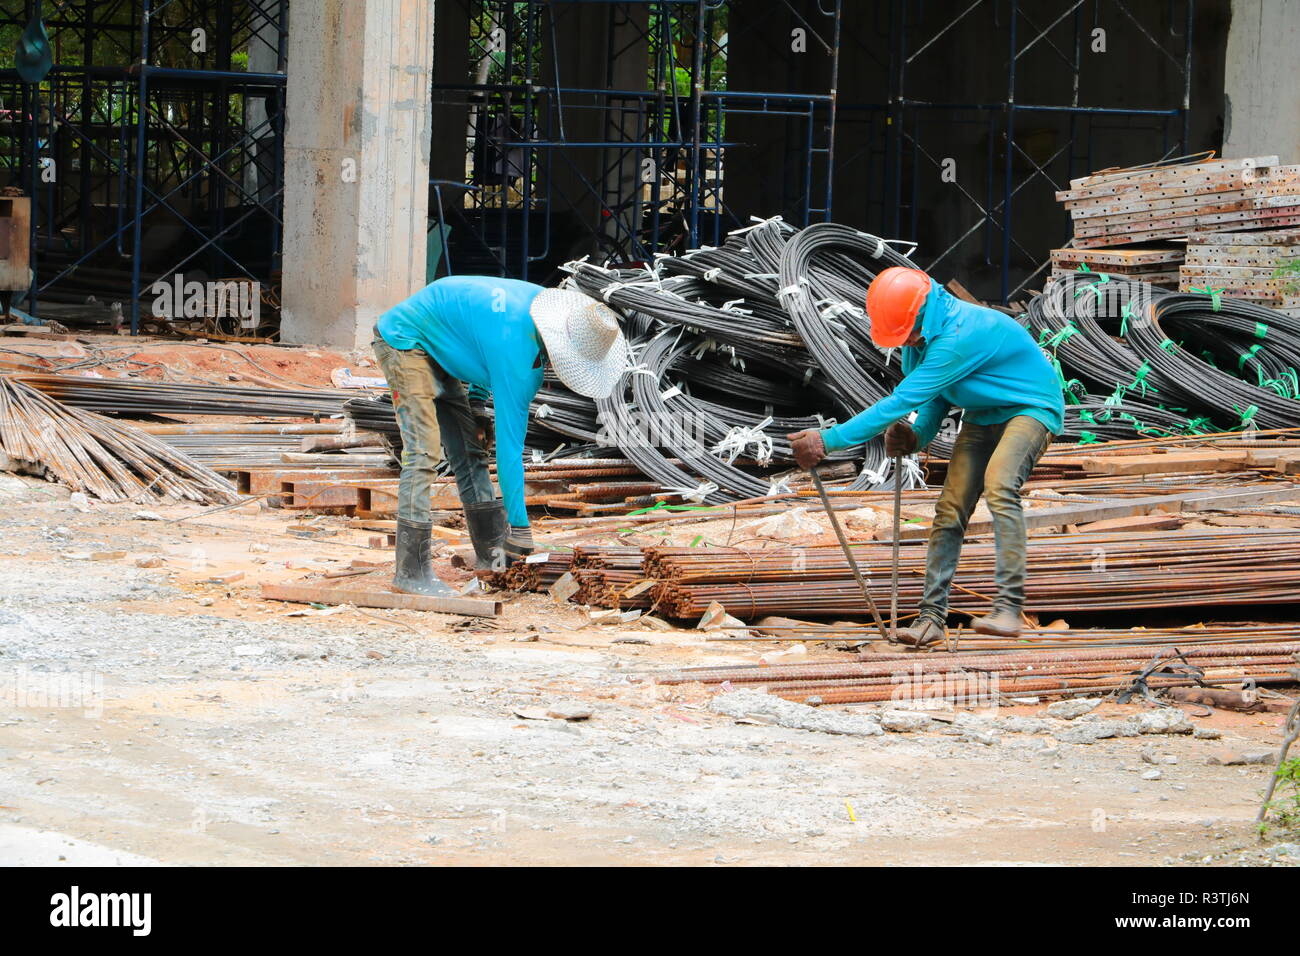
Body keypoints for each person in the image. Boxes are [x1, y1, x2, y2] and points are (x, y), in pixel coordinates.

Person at [787, 267, 1064, 643]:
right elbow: (936, 399)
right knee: (949, 510)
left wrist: (829, 440)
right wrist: (916, 437)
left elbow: (904, 399)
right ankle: (931, 618)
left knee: (999, 486)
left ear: (922, 313)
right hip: (983, 416)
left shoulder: (959, 334)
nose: (910, 339)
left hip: (1030, 409)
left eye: (912, 331)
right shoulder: (918, 344)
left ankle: (1009, 609)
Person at [372, 276, 628, 597]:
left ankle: (490, 553)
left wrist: (477, 404)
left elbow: (479, 336)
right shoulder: (518, 360)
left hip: (442, 336)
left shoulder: (541, 303)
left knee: (470, 452)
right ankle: (410, 573)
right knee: (424, 453)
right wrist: (520, 529)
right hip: (405, 338)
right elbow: (509, 453)